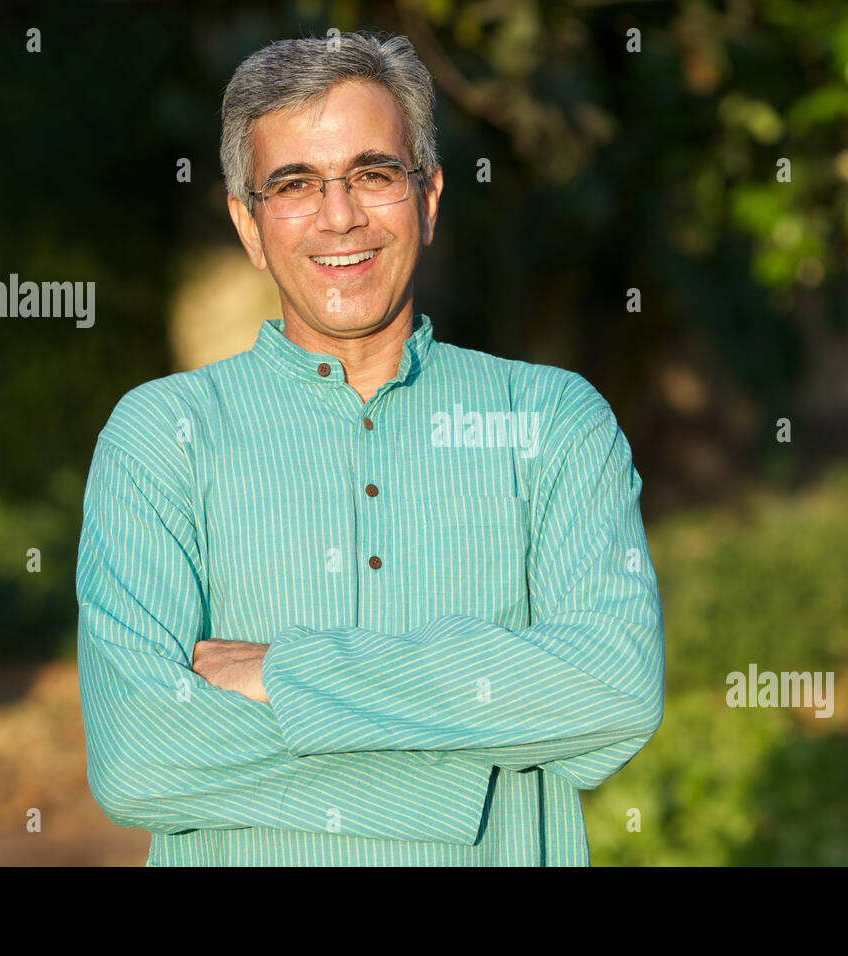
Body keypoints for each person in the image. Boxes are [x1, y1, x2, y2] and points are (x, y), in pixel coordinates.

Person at [76, 29, 664, 866]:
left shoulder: (552, 421)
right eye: (295, 184)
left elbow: (614, 687)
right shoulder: (162, 438)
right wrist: (462, 782)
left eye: (374, 174)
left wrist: (295, 673)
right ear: (249, 225)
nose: (340, 215)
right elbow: (140, 754)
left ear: (427, 197)